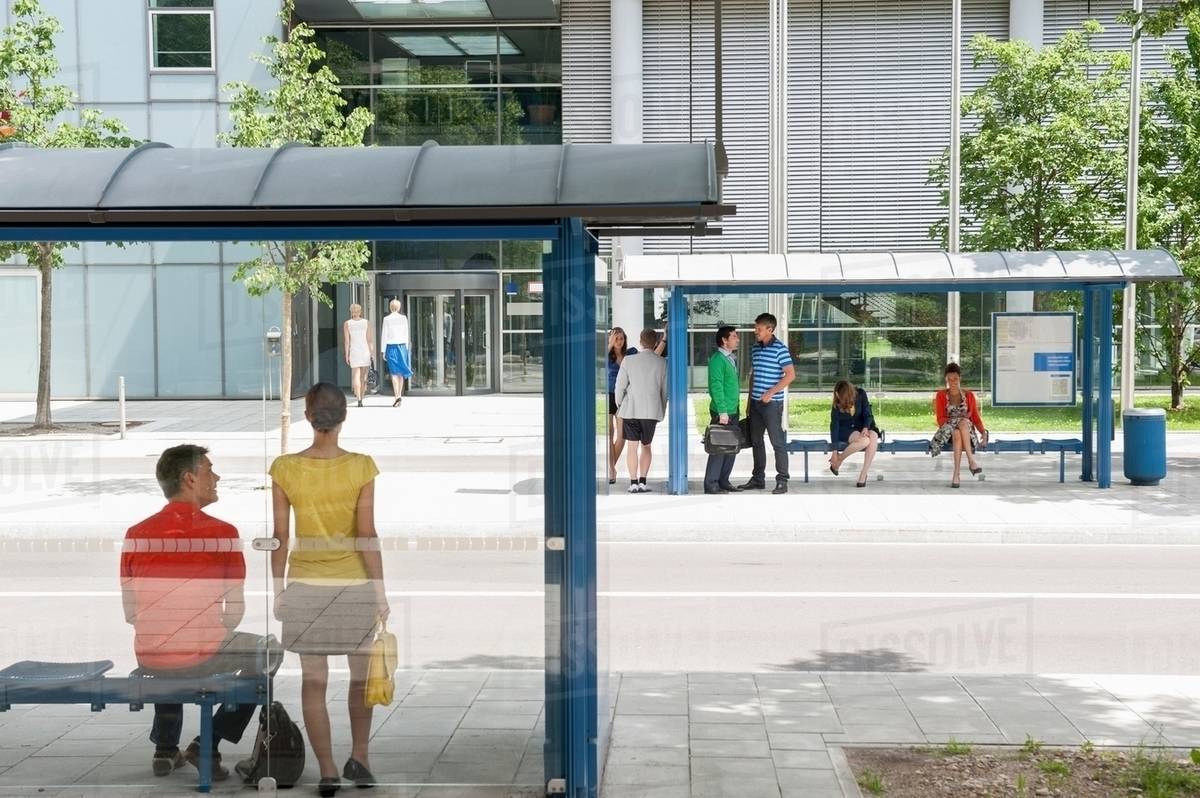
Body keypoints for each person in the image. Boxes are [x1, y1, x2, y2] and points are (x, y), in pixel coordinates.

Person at [121, 444, 277, 783]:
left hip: (150, 655)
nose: (217, 477)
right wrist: (210, 630)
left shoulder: (136, 534)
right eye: (209, 470)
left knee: (168, 639)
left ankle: (165, 748)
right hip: (197, 654)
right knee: (266, 651)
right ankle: (208, 743)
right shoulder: (222, 533)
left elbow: (131, 612)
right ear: (190, 479)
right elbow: (234, 613)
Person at [270, 383, 389, 797]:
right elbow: (367, 535)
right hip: (354, 584)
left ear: (307, 416)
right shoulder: (361, 467)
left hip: (305, 585)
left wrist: (278, 590)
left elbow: (280, 538)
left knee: (314, 681)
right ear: (343, 417)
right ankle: (361, 758)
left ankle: (327, 771)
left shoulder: (284, 468)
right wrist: (380, 592)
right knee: (360, 680)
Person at [741, 312, 795, 494]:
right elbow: (754, 375)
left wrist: (771, 392)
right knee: (756, 442)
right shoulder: (755, 348)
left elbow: (791, 375)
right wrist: (749, 402)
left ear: (769, 330)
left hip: (772, 405)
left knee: (777, 442)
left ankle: (782, 480)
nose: (755, 331)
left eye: (759, 328)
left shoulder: (780, 349)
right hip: (756, 404)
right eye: (755, 327)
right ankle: (758, 479)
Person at [614, 328, 668, 493]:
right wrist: (662, 410)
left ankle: (633, 482)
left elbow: (619, 387)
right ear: (656, 343)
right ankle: (643, 481)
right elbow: (664, 392)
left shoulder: (629, 361)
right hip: (651, 411)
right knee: (646, 446)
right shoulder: (662, 363)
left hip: (631, 409)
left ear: (640, 341)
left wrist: (619, 405)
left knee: (632, 447)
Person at [930, 362, 988, 488]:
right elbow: (940, 419)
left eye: (955, 379)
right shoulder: (941, 395)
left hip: (966, 432)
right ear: (946, 379)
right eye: (949, 379)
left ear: (960, 378)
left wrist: (983, 431)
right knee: (960, 424)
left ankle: (956, 475)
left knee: (960, 428)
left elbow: (976, 418)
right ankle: (971, 461)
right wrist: (956, 421)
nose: (952, 382)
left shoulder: (968, 396)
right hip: (947, 432)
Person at [704, 325, 741, 495]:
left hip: (733, 409)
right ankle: (711, 483)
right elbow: (716, 387)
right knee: (719, 448)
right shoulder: (718, 360)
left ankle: (723, 481)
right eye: (733, 336)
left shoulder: (729, 358)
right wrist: (722, 411)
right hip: (723, 411)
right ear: (724, 340)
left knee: (730, 447)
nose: (737, 339)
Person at [828, 380, 880, 488]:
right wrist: (834, 452)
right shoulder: (837, 403)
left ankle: (862, 474)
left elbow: (868, 414)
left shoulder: (861, 394)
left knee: (873, 436)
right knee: (865, 441)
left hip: (862, 426)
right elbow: (834, 427)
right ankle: (838, 460)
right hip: (845, 430)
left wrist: (866, 427)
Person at [606, 327, 637, 484]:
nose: (619, 341)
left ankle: (610, 466)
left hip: (624, 397)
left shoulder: (631, 353)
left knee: (621, 436)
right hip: (608, 396)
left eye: (621, 338)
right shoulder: (606, 355)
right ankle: (611, 471)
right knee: (609, 433)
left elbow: (649, 357)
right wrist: (609, 344)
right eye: (616, 338)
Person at [380, 297, 412, 408]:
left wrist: (383, 350)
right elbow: (406, 333)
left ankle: (396, 395)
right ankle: (399, 394)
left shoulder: (387, 319)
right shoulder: (404, 318)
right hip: (402, 346)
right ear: (399, 307)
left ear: (390, 307)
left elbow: (384, 334)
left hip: (391, 346)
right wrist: (407, 348)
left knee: (393, 372)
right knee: (401, 372)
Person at [343, 303, 374, 408]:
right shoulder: (367, 323)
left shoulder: (347, 323)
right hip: (365, 351)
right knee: (363, 377)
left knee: (355, 376)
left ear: (351, 311)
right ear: (360, 311)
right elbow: (369, 340)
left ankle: (359, 399)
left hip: (354, 351)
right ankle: (362, 397)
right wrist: (371, 353)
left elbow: (347, 342)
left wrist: (346, 355)